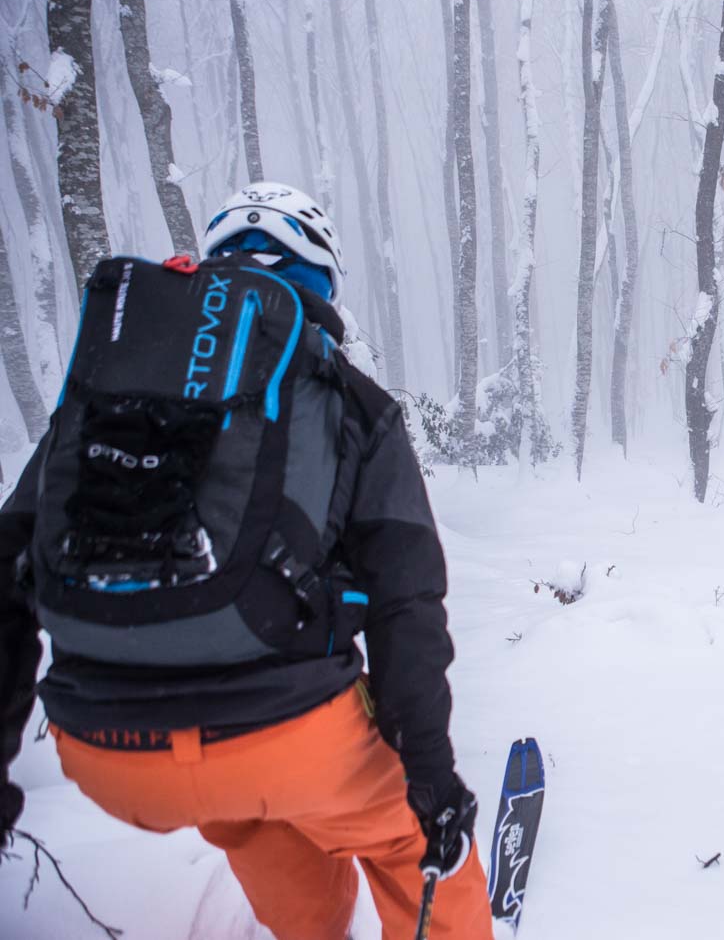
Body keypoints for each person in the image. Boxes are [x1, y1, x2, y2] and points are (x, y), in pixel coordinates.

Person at [0, 182, 493, 939]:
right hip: (292, 736)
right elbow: (407, 604)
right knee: (402, 836)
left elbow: (9, 569)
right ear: (321, 280)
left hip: (101, 751)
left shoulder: (102, 397)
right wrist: (431, 778)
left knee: (255, 817)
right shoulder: (352, 402)